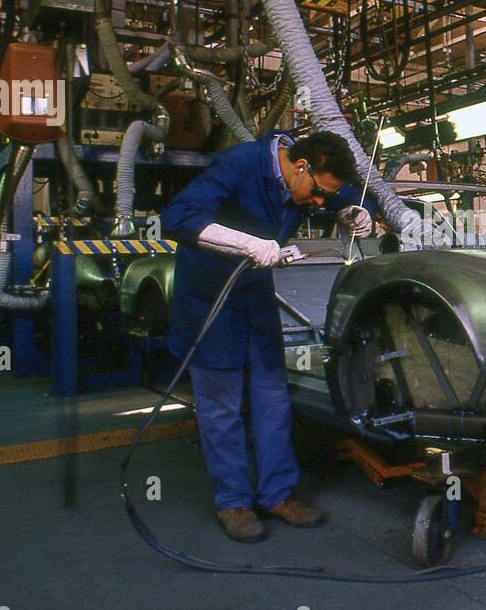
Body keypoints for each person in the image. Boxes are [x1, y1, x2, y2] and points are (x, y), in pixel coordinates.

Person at [160, 131, 373, 543]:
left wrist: (356, 209)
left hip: (256, 299)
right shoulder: (239, 164)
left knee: (272, 398)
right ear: (301, 166)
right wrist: (246, 243)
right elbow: (179, 217)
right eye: (316, 193)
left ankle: (276, 494)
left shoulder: (313, 174)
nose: (317, 203)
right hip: (211, 299)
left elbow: (343, 192)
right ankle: (233, 503)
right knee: (222, 408)